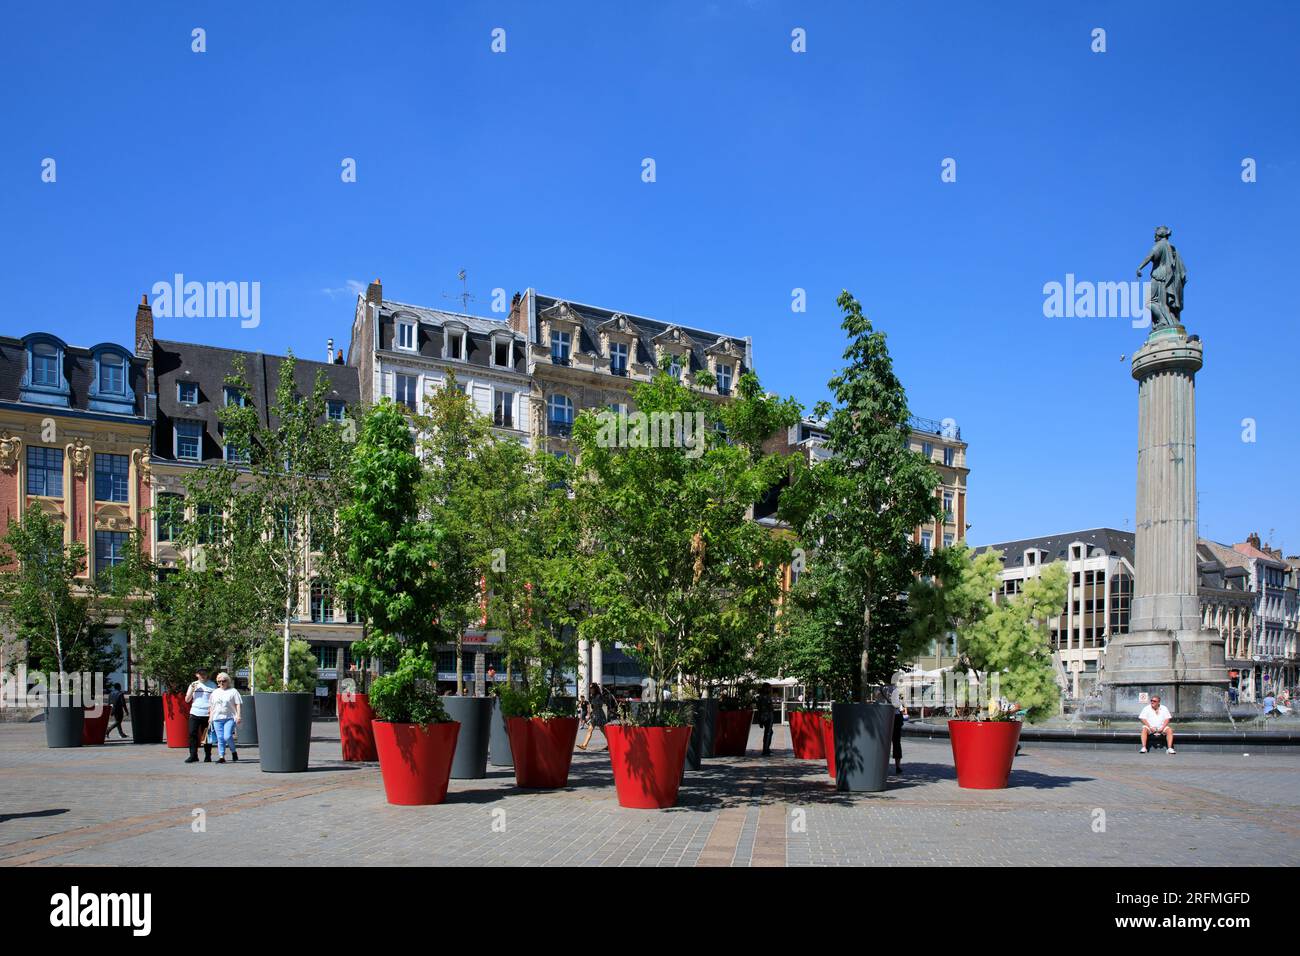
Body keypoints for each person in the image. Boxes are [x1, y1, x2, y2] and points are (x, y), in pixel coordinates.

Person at [207, 673, 242, 763]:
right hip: (217, 718)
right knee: (220, 738)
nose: (222, 683)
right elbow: (211, 706)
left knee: (227, 736)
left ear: (228, 681)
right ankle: (221, 756)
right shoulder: (215, 692)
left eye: (224, 681)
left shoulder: (233, 691)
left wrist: (238, 716)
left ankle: (233, 751)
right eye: (219, 681)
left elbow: (238, 704)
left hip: (229, 717)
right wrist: (210, 717)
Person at [184, 668, 216, 764]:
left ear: (207, 675)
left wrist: (212, 713)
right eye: (200, 674)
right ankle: (193, 755)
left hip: (207, 714)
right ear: (197, 675)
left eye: (204, 674)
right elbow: (187, 700)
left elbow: (215, 701)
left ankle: (208, 756)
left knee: (206, 735)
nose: (202, 676)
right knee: (192, 734)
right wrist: (192, 689)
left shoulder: (212, 685)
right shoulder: (193, 684)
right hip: (194, 713)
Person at [577, 683, 607, 751]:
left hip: (599, 714)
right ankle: (584, 745)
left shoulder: (599, 696)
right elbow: (592, 706)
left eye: (592, 688)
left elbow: (600, 704)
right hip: (594, 714)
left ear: (595, 688)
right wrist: (590, 714)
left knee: (603, 731)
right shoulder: (592, 696)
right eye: (590, 688)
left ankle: (610, 744)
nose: (590, 689)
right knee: (590, 729)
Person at [891, 686, 906, 774]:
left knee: (883, 743)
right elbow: (901, 707)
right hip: (896, 717)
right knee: (897, 742)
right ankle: (898, 766)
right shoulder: (897, 690)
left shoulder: (883, 689)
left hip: (886, 716)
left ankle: (881, 765)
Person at [757, 685, 775, 756]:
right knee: (768, 733)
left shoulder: (761, 697)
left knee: (769, 732)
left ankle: (766, 748)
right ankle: (765, 750)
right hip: (767, 717)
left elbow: (759, 708)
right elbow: (768, 707)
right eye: (769, 688)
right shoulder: (765, 697)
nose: (770, 690)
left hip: (764, 716)